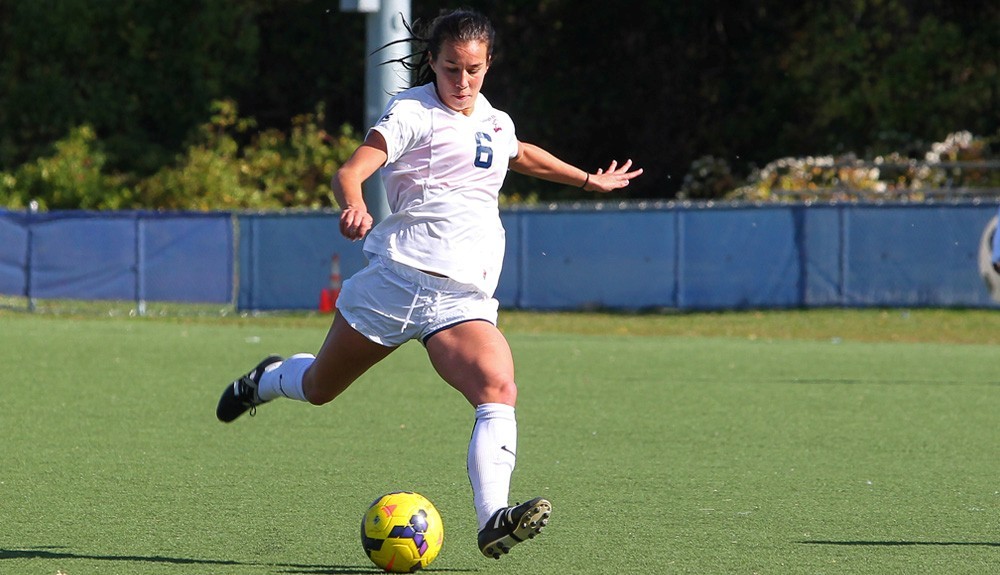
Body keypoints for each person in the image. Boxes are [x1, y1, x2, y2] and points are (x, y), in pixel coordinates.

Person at [216, 8, 642, 560]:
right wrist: (353, 207)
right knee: (320, 387)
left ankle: (494, 520)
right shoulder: (412, 112)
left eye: (472, 69)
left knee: (497, 389)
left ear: (487, 65)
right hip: (394, 282)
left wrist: (588, 178)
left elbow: (520, 153)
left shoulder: (493, 117)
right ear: (433, 64)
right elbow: (350, 172)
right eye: (449, 69)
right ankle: (266, 380)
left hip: (459, 299)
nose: (461, 82)